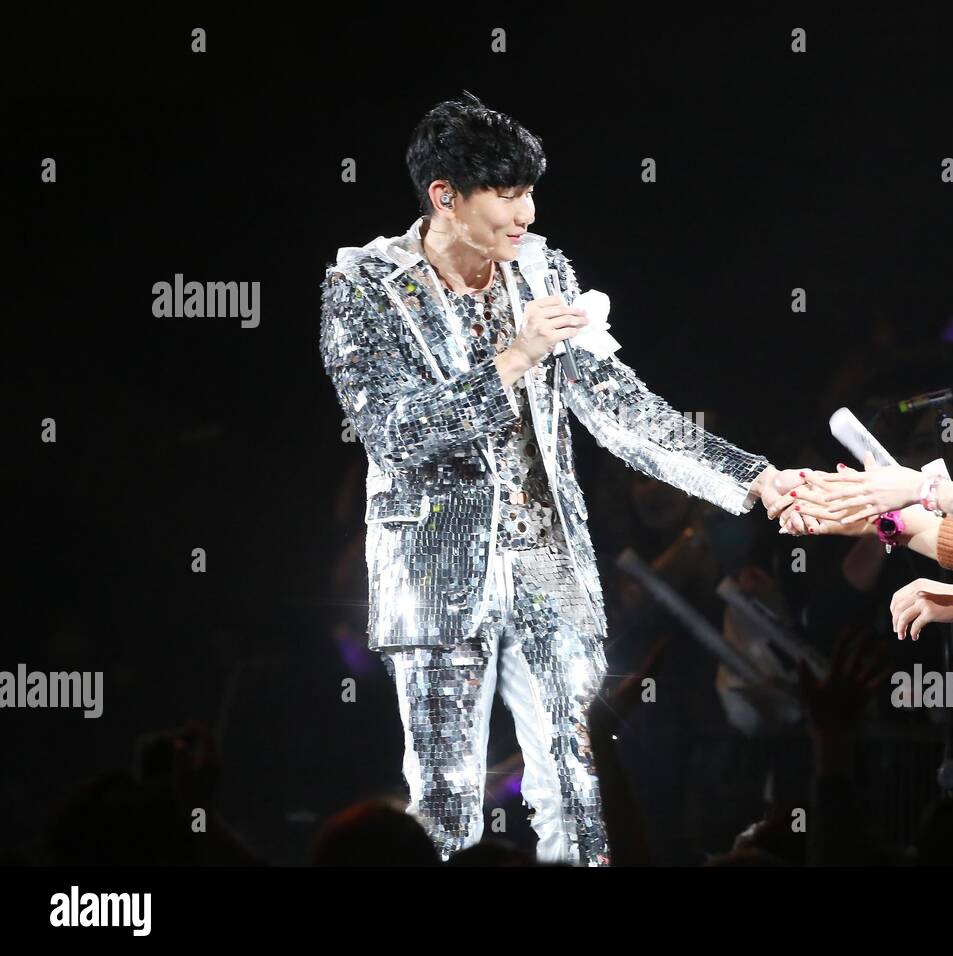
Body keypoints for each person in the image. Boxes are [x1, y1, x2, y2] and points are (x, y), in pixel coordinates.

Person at [318, 93, 802, 865]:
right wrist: (513, 359)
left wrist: (755, 479)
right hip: (437, 569)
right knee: (446, 799)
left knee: (581, 791)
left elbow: (622, 409)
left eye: (529, 193)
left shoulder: (545, 270)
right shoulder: (364, 288)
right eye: (506, 195)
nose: (526, 213)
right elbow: (393, 433)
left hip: (550, 566)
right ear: (446, 196)